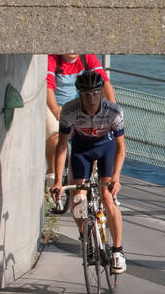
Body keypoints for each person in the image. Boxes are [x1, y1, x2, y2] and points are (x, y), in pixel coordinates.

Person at [51, 69, 127, 274]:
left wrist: (116, 178)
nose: (91, 98)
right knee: (78, 200)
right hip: (81, 151)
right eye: (85, 94)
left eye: (95, 93)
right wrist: (58, 181)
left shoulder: (114, 111)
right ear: (79, 94)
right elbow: (61, 147)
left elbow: (121, 147)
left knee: (107, 197)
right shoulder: (69, 111)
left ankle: (118, 251)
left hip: (106, 149)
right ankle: (86, 237)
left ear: (101, 92)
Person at [45, 54, 116, 194]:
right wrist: (55, 110)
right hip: (55, 105)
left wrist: (112, 108)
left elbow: (103, 81)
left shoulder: (87, 58)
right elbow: (48, 86)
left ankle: (92, 170)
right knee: (55, 137)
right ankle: (52, 174)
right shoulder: (52, 59)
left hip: (79, 105)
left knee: (95, 133)